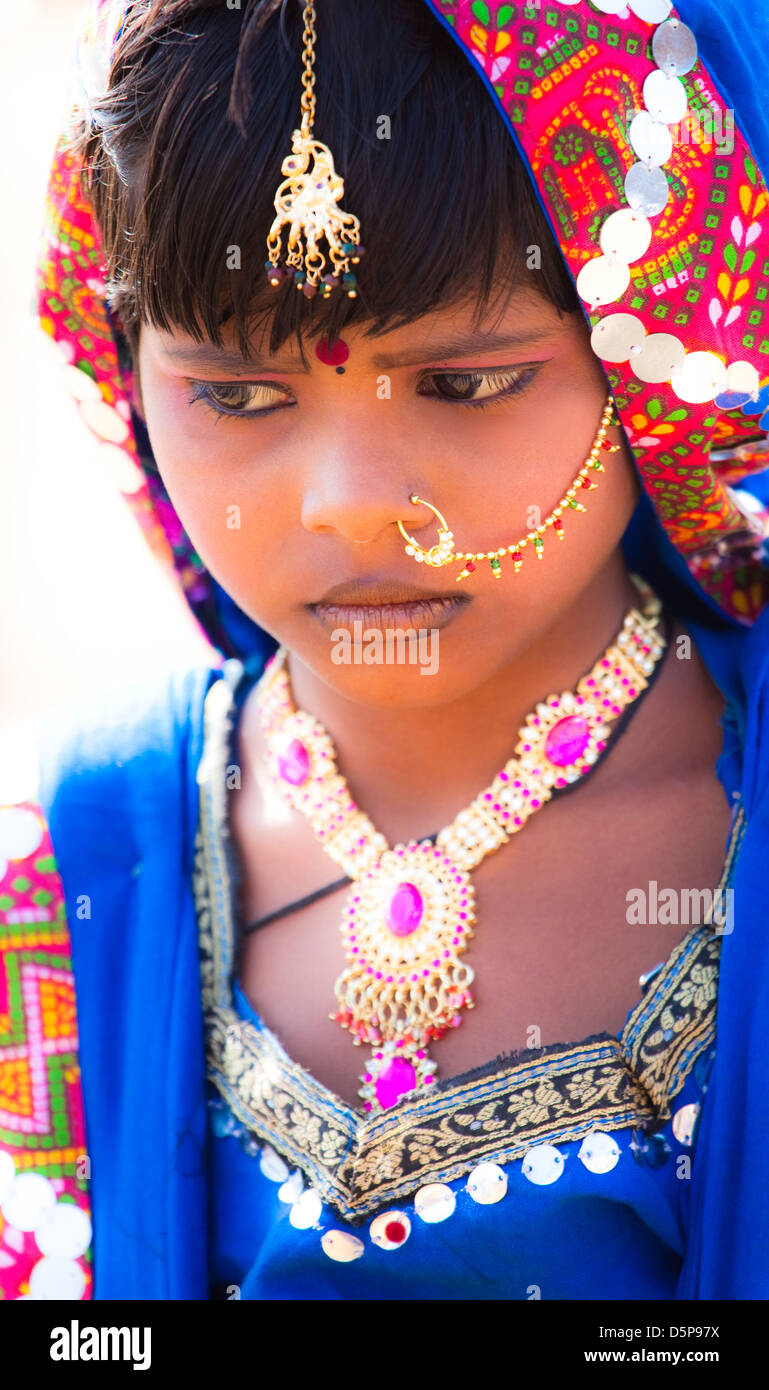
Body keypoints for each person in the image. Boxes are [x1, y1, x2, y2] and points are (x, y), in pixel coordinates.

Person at [2, 0, 769, 1300]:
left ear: (650, 352)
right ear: (125, 372)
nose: (350, 505)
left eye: (465, 382)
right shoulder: (71, 863)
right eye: (238, 396)